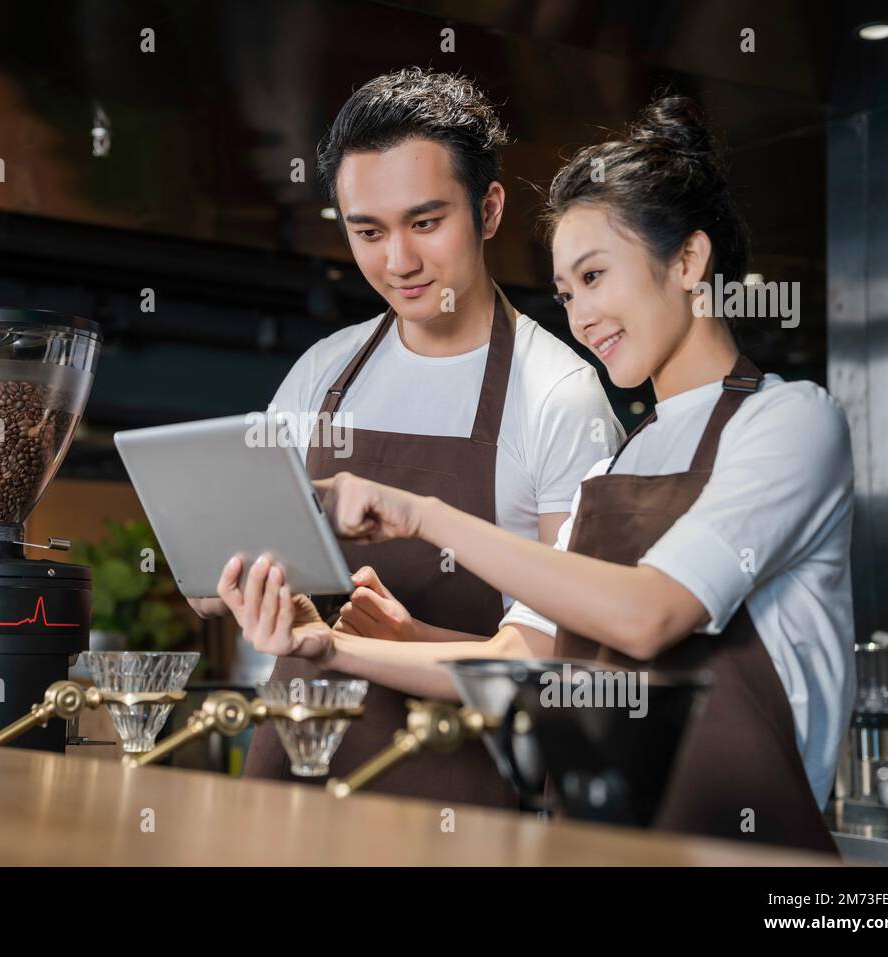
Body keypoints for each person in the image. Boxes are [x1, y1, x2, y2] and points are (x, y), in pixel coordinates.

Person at [218, 95, 854, 853]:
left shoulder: (790, 421)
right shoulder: (622, 460)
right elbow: (548, 678)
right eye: (566, 291)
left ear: (688, 260)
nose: (581, 315)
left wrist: (420, 513)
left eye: (594, 275)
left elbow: (647, 616)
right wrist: (340, 645)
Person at [193, 67, 622, 807]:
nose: (398, 261)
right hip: (289, 783)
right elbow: (202, 582)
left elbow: (553, 657)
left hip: (460, 791)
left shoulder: (560, 395)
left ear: (488, 210)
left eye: (425, 223)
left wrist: (383, 638)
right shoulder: (323, 374)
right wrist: (242, 589)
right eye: (368, 231)